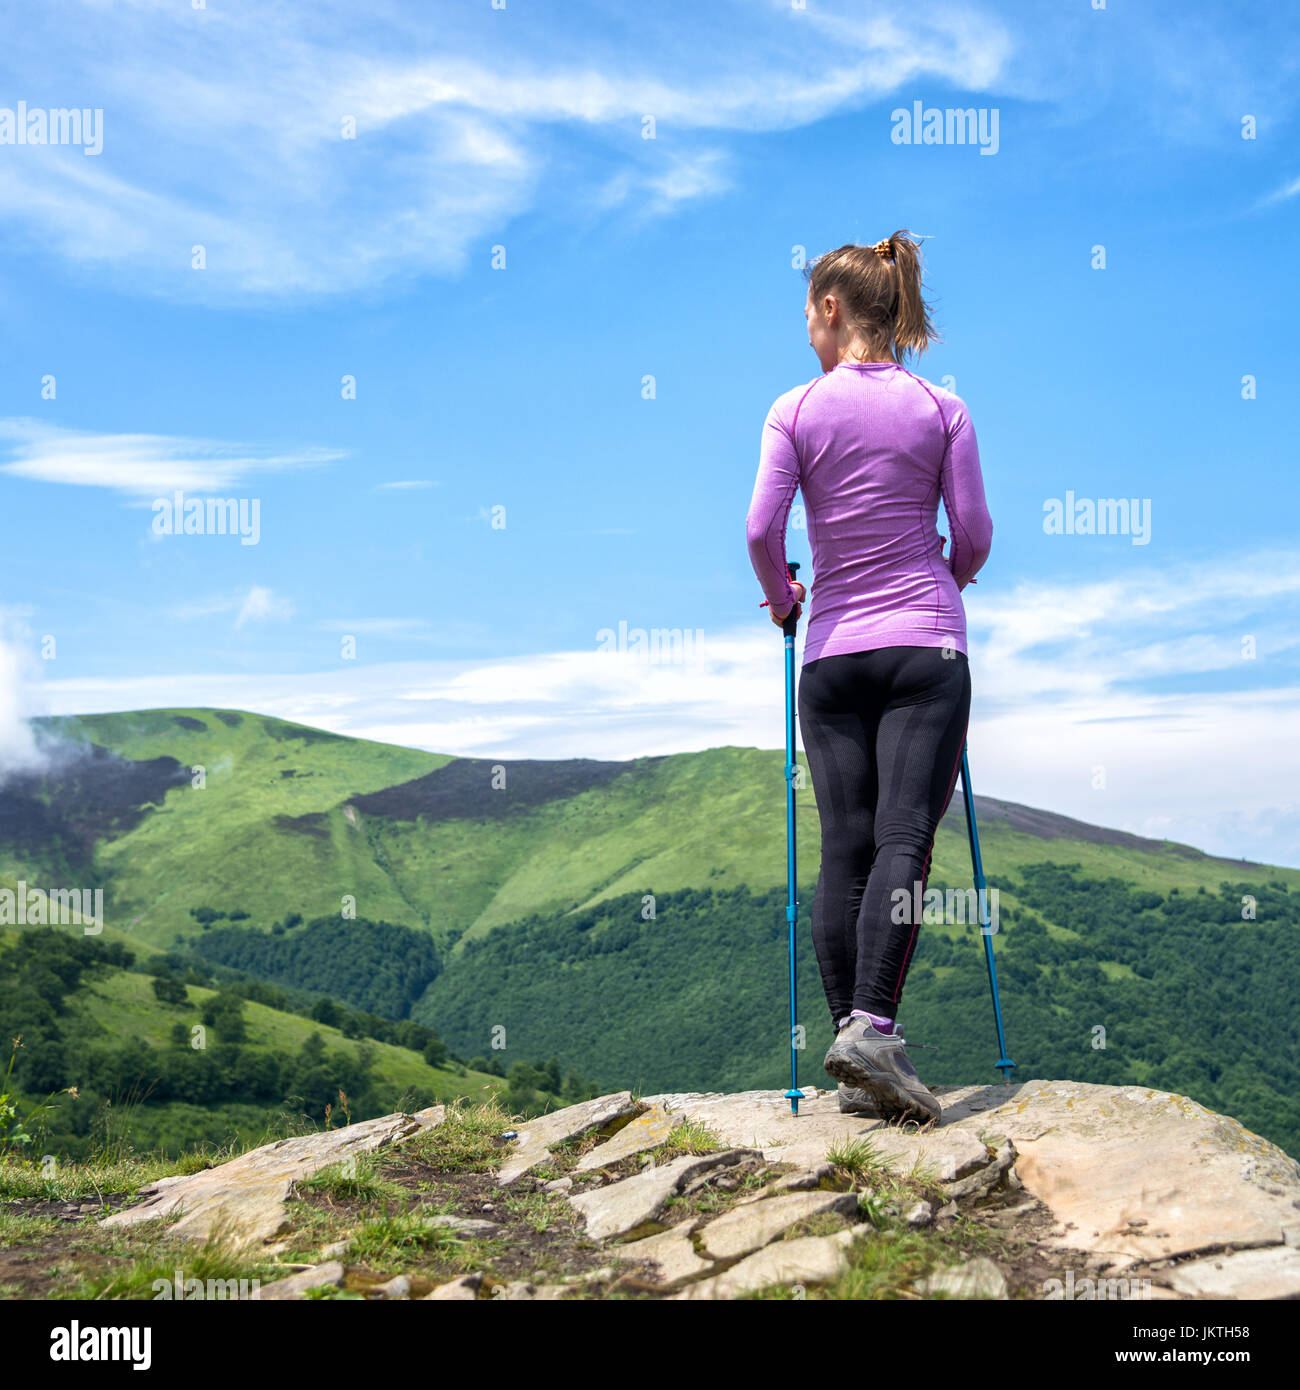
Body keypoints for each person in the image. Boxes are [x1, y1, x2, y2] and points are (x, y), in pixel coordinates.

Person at [746, 231, 992, 1124]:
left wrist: (785, 598)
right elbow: (973, 534)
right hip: (927, 649)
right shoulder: (942, 409)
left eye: (807, 313)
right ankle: (873, 1031)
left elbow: (759, 531)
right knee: (903, 839)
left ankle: (852, 1044)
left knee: (844, 845)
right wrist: (945, 581)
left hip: (832, 655)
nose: (805, 328)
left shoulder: (795, 409)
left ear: (832, 308)